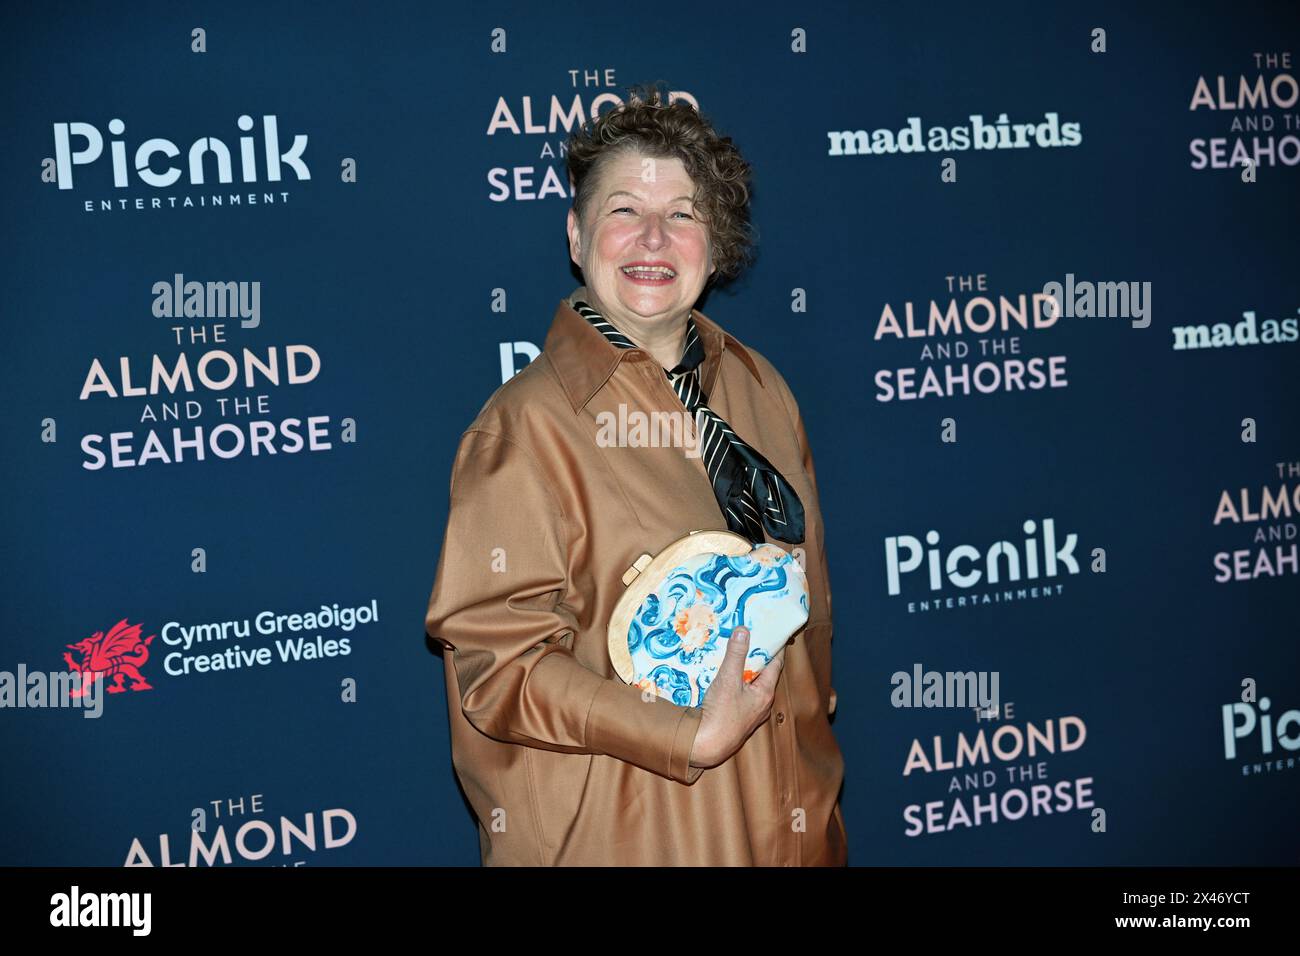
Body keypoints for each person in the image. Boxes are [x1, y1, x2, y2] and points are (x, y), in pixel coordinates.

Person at [424, 85, 847, 865]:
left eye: (683, 214)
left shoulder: (762, 390)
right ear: (578, 235)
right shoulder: (523, 427)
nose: (654, 236)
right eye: (624, 210)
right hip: (632, 839)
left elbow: (805, 618)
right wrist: (686, 733)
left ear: (714, 245)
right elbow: (497, 669)